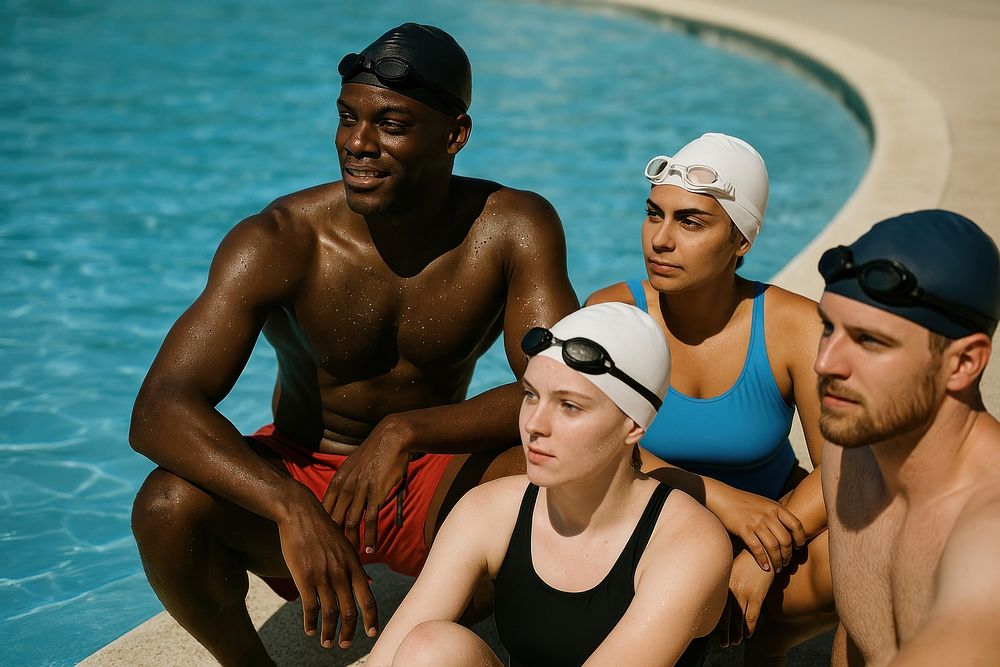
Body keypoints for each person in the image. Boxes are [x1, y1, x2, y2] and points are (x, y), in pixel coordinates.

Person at [128, 22, 578, 664]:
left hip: (433, 474)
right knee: (167, 505)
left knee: (554, 482)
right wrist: (290, 506)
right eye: (347, 119)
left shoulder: (510, 228)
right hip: (306, 466)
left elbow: (563, 387)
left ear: (455, 136)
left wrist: (405, 431)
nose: (358, 144)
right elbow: (160, 408)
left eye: (390, 124)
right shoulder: (281, 239)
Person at [366, 303, 733, 666]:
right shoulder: (491, 509)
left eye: (569, 406)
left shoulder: (689, 543)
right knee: (428, 649)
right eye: (531, 395)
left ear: (634, 425)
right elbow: (389, 655)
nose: (534, 424)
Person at [588, 133, 835, 661]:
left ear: (741, 241)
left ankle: (773, 635)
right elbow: (589, 449)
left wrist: (762, 558)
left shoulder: (796, 326)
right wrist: (717, 497)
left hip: (770, 529)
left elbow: (841, 466)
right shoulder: (615, 315)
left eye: (691, 222)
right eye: (654, 214)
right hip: (651, 534)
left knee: (867, 544)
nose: (660, 239)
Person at [816, 210, 1000, 665]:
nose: (826, 363)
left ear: (963, 363)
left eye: (870, 341)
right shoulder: (853, 444)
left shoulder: (988, 524)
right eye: (828, 327)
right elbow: (861, 636)